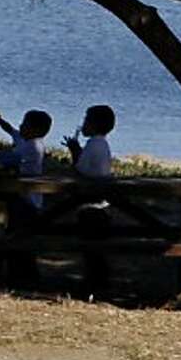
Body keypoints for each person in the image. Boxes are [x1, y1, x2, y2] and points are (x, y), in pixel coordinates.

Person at [0, 107, 53, 286]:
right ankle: (14, 269)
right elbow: (13, 133)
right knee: (14, 231)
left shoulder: (32, 147)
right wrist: (1, 121)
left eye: (25, 124)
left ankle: (15, 272)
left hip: (26, 200)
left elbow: (8, 158)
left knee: (16, 234)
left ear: (36, 130)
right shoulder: (29, 142)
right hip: (25, 197)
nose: (21, 127)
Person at [65, 104, 117, 298]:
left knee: (91, 248)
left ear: (94, 124)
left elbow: (81, 170)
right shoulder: (101, 143)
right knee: (95, 249)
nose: (83, 124)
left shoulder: (93, 144)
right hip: (101, 203)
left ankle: (93, 285)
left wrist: (74, 152)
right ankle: (98, 283)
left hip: (91, 204)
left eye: (86, 120)